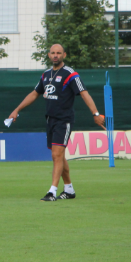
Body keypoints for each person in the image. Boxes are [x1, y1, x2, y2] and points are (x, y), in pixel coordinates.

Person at [8, 43, 105, 201]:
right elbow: (34, 94)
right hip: (50, 120)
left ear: (64, 55)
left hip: (64, 120)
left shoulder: (70, 74)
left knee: (56, 154)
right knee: (59, 156)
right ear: (49, 55)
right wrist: (17, 109)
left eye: (59, 53)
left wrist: (95, 113)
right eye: (53, 53)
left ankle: (52, 191)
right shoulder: (46, 75)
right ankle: (69, 189)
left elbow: (84, 93)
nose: (55, 55)